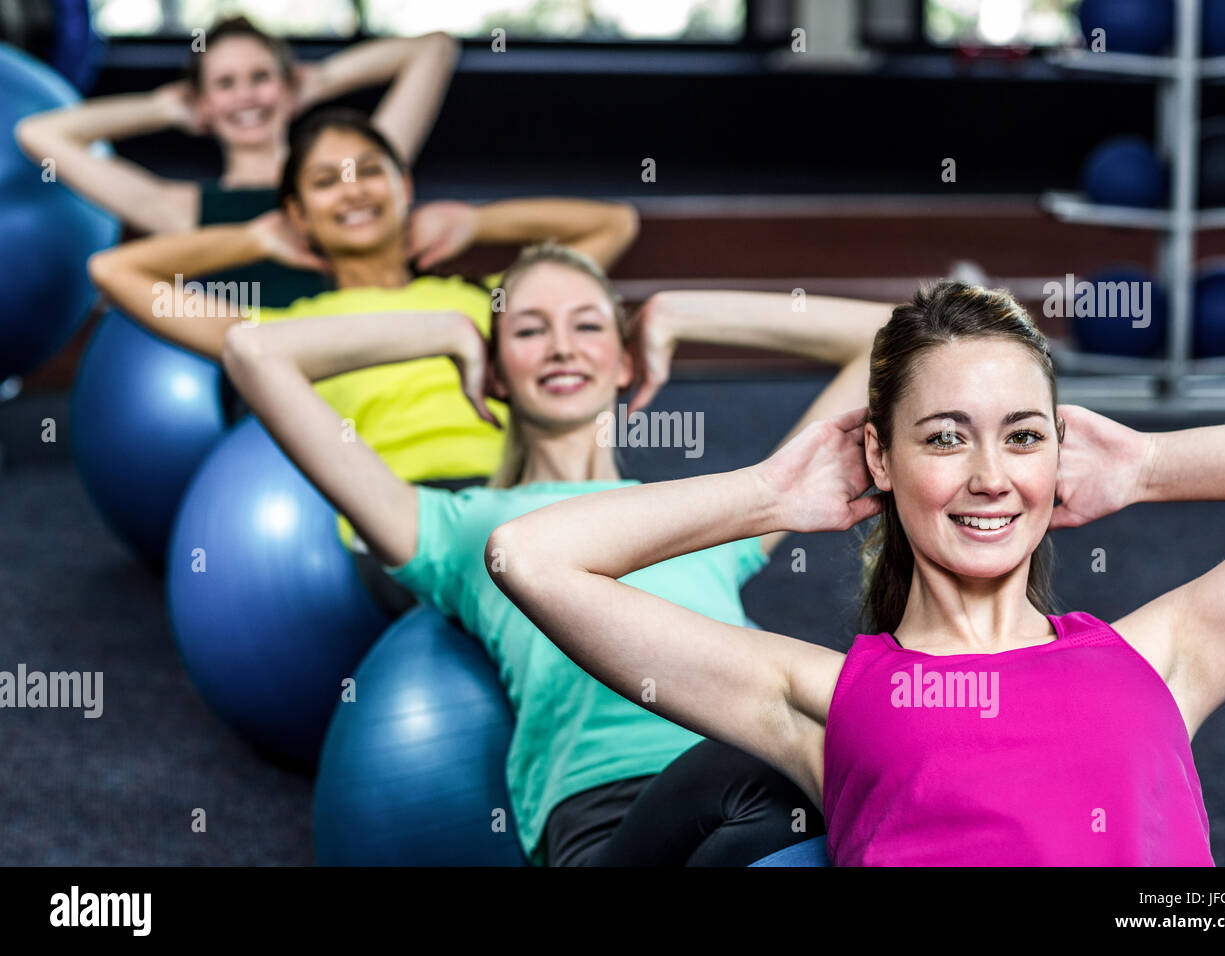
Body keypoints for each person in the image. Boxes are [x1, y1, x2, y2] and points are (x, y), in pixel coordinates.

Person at [486, 278, 1225, 866]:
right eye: (945, 437)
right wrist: (770, 492)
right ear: (880, 453)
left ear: (1059, 451)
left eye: (1022, 437)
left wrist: (1153, 464)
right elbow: (528, 557)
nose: (990, 476)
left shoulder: (1163, 657)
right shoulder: (827, 699)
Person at [219, 238, 895, 865]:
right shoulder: (461, 527)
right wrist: (446, 329)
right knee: (770, 768)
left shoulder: (710, 510)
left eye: (589, 326)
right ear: (496, 372)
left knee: (880, 757)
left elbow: (898, 342)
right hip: (615, 822)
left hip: (761, 797)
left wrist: (680, 311)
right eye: (529, 330)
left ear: (626, 360)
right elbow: (254, 355)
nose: (561, 348)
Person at [88, 110, 639, 598]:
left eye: (370, 171)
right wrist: (258, 239)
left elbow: (614, 224)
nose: (353, 191)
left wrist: (475, 221)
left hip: (531, 491)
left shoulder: (491, 297)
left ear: (404, 185)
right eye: (326, 182)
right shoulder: (282, 333)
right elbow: (114, 272)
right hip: (415, 519)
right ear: (298, 214)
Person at [17, 15, 460, 306]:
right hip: (267, 414)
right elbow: (38, 134)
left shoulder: (357, 174)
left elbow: (434, 48)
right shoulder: (183, 209)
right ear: (203, 104)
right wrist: (163, 108)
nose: (246, 95)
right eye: (225, 84)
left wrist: (320, 80)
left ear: (288, 85)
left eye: (261, 77)